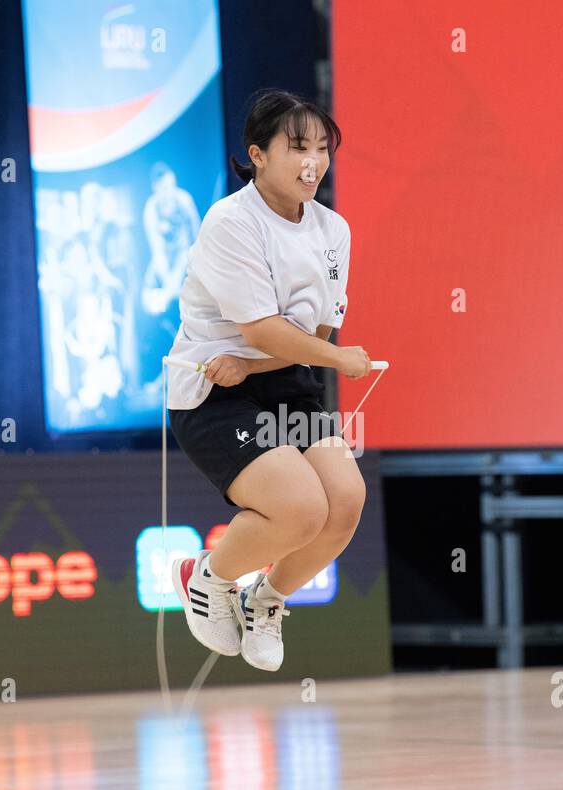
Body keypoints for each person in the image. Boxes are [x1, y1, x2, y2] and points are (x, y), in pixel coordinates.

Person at [165, 89, 371, 672]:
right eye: (298, 146)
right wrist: (338, 362)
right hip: (212, 392)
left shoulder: (335, 231)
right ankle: (207, 576)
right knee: (301, 508)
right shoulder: (231, 222)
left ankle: (267, 600)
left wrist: (273, 362)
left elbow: (317, 330)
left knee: (346, 501)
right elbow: (264, 330)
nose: (314, 161)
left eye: (323, 148)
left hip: (279, 382)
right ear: (257, 154)